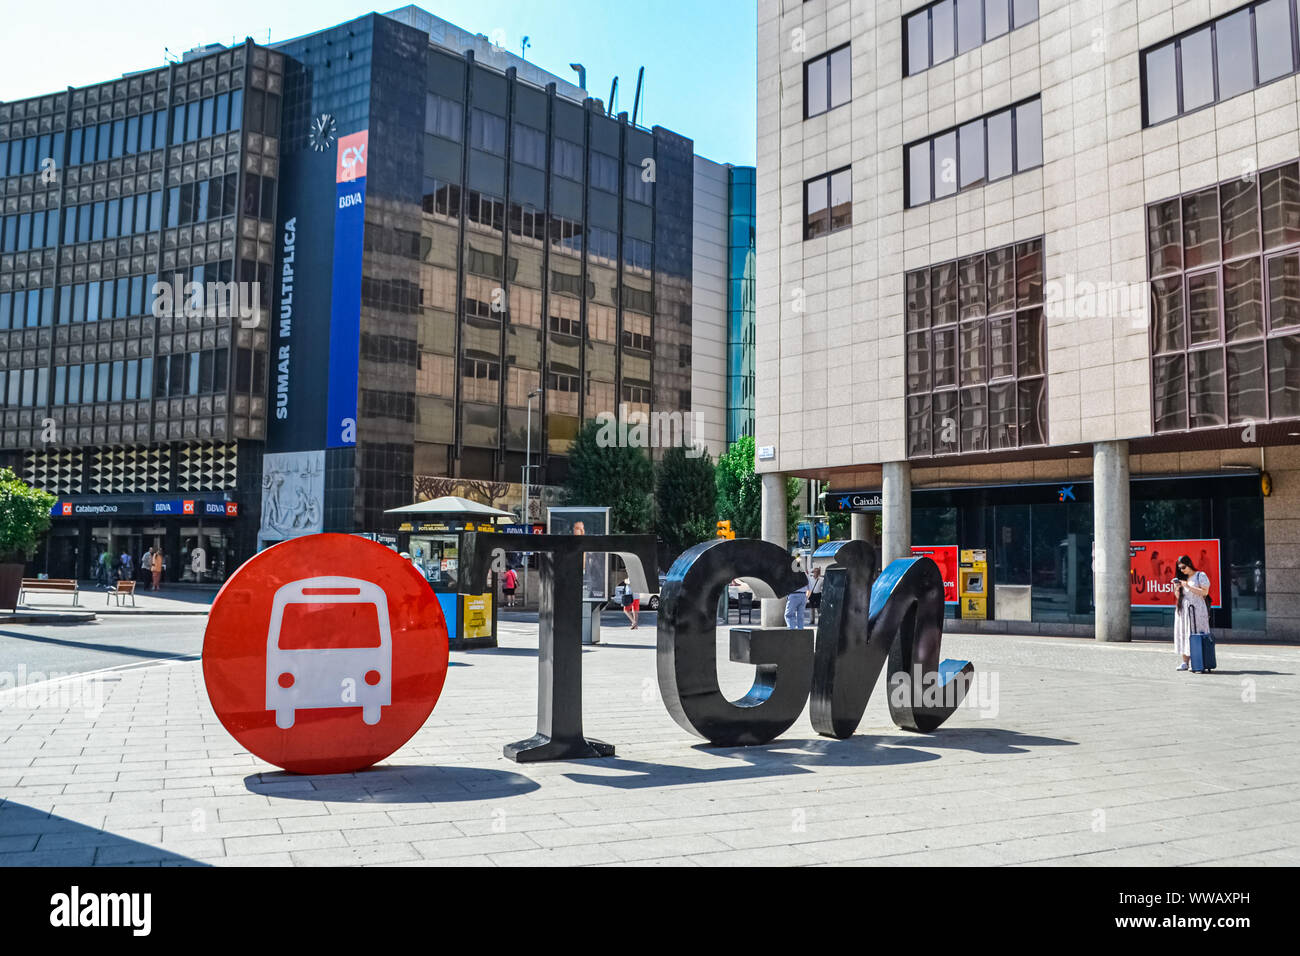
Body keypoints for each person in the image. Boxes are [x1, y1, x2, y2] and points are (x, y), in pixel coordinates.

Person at [1172, 554, 1211, 671]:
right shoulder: (1182, 579)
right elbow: (1178, 596)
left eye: (1183, 567)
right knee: (1184, 634)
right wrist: (1177, 587)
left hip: (1197, 610)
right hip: (1183, 610)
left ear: (1189, 564)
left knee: (1196, 634)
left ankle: (1198, 660)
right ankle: (1185, 662)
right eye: (1179, 568)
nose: (1181, 570)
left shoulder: (1200, 575)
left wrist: (1188, 585)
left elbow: (1205, 592)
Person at [785, 562, 809, 629]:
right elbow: (810, 588)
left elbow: (786, 587)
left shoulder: (790, 575)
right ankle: (800, 630)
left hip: (794, 595)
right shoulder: (805, 575)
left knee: (789, 615)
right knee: (800, 616)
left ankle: (791, 630)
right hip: (803, 595)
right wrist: (806, 597)